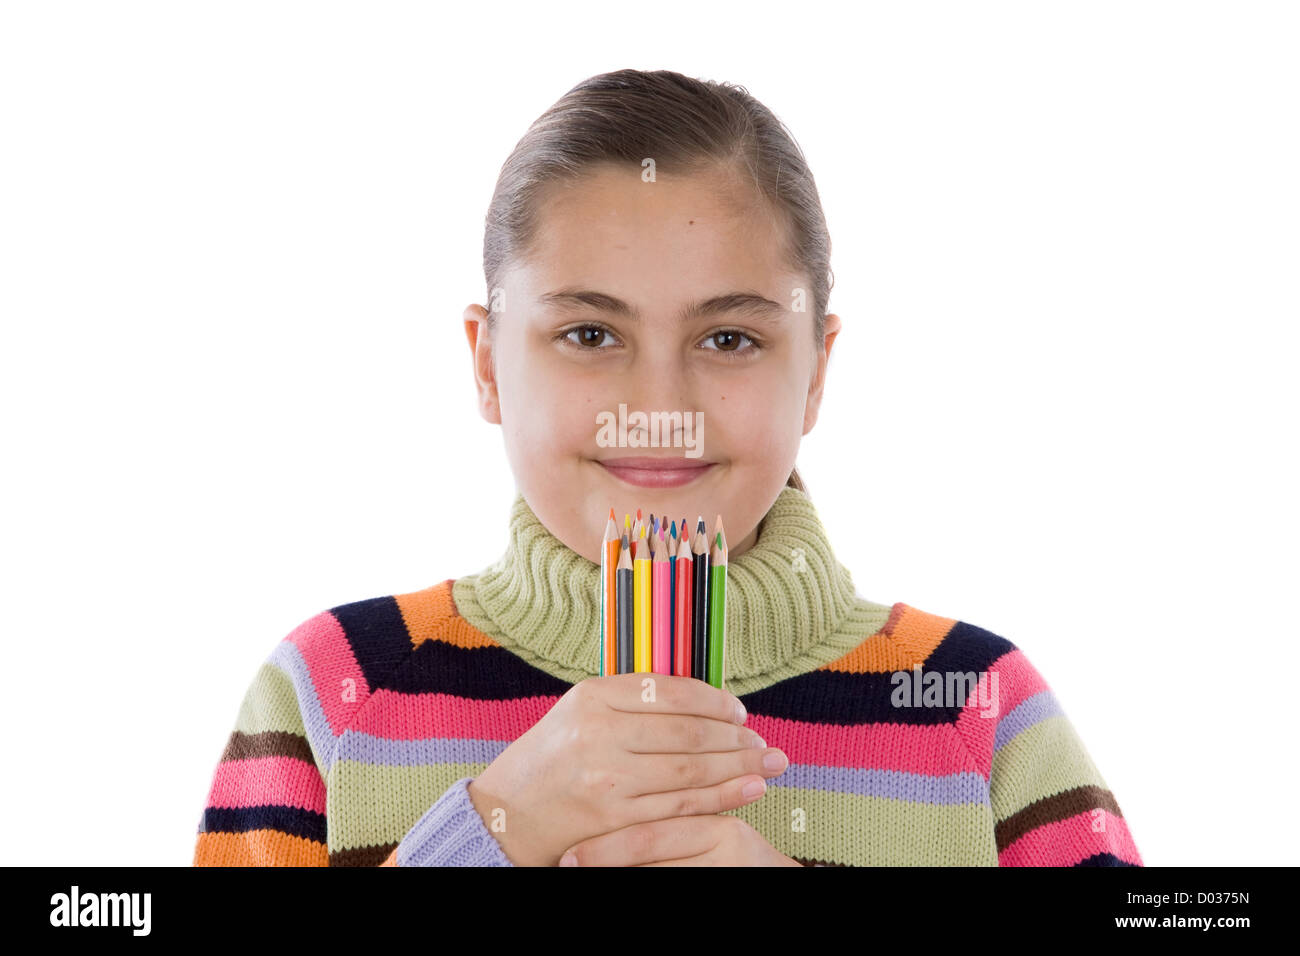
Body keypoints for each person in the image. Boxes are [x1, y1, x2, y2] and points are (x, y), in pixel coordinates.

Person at [192, 68, 1142, 867]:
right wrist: (488, 831)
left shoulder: (976, 704)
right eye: (590, 332)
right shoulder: (337, 687)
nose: (659, 406)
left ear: (817, 373)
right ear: (487, 364)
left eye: (729, 337)